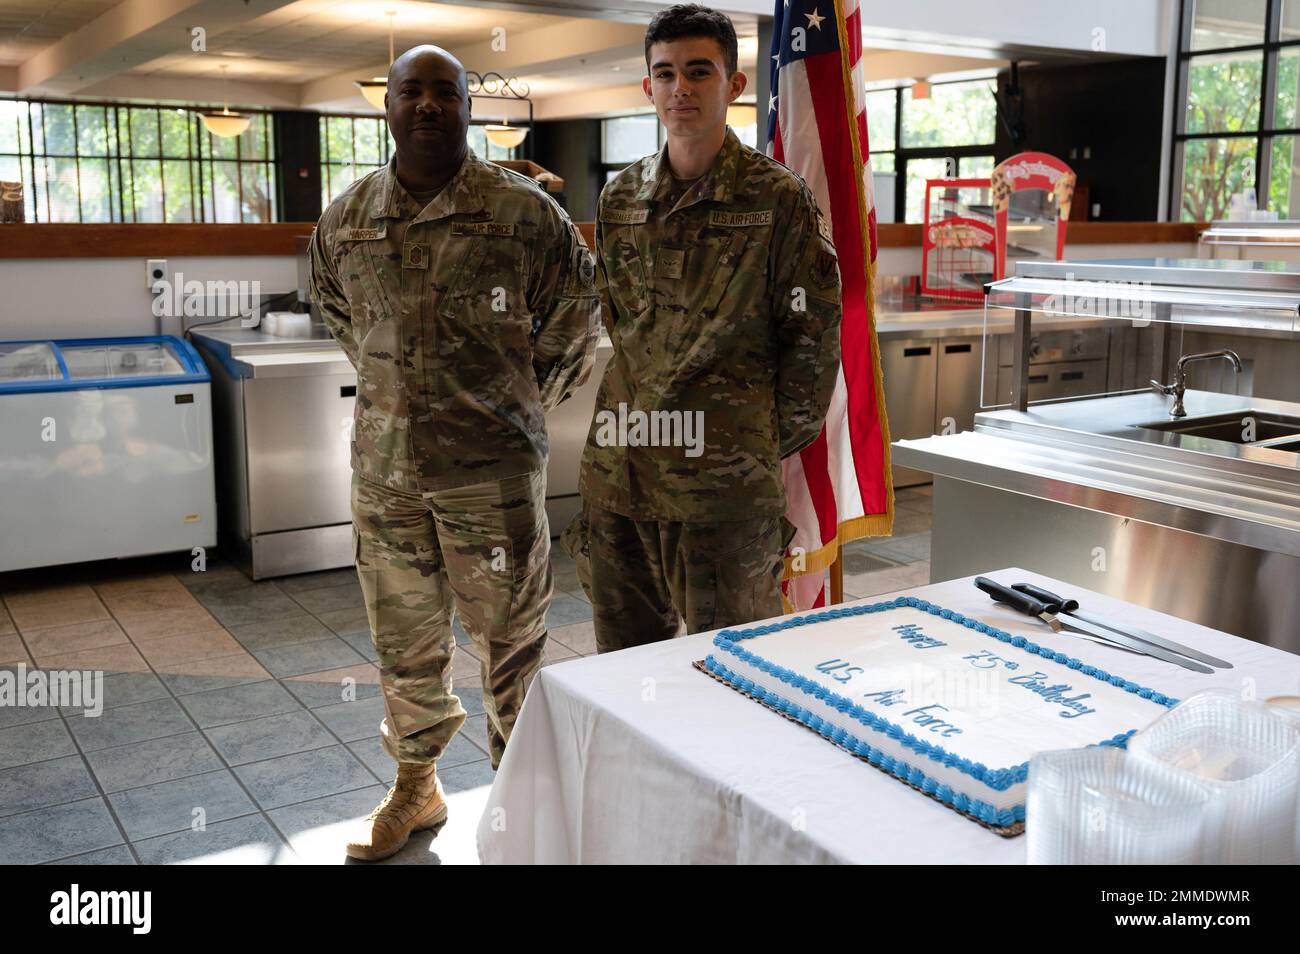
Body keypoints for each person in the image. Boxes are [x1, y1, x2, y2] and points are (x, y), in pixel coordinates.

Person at [309, 45, 600, 860]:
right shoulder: (348, 216)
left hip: (492, 480)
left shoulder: (523, 214)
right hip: (386, 477)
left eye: (446, 92)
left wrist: (505, 404)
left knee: (510, 644)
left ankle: (519, 797)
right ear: (390, 106)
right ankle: (416, 785)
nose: (428, 105)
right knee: (404, 644)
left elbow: (574, 322)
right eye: (413, 92)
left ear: (470, 106)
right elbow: (342, 317)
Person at [563, 3, 842, 652]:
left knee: (730, 674)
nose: (679, 89)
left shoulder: (776, 199)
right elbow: (619, 318)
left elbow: (813, 338)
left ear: (734, 85)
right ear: (647, 87)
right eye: (664, 74)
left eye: (698, 72)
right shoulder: (621, 198)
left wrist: (748, 442)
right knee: (625, 672)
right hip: (620, 478)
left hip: (723, 493)